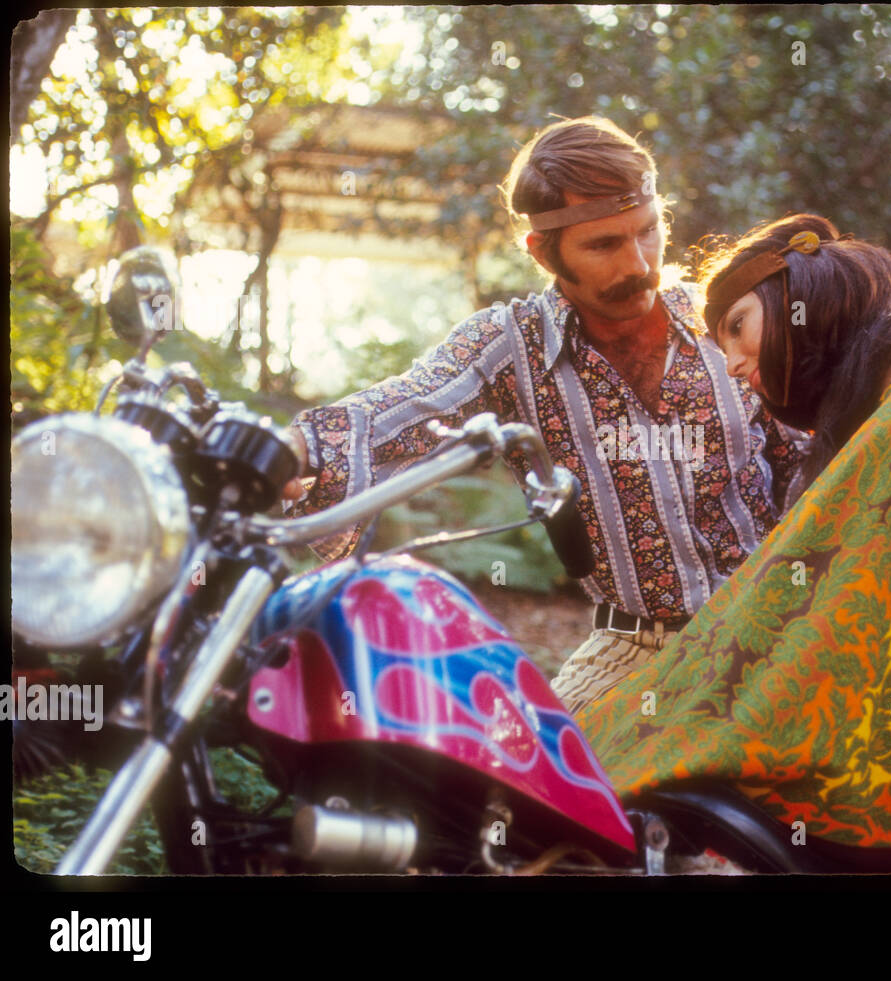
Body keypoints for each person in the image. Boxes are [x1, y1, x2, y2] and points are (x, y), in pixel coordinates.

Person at [574, 214, 891, 872]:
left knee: (591, 759)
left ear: (799, 304)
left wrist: (706, 710)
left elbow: (846, 626)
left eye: (737, 327)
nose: (733, 363)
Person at [279, 117, 806, 712]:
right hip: (634, 652)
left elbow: (814, 457)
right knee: (545, 795)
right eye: (604, 244)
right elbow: (406, 403)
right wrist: (289, 449)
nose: (639, 263)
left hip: (774, 631)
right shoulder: (512, 345)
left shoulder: (725, 319)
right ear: (543, 251)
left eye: (649, 231)